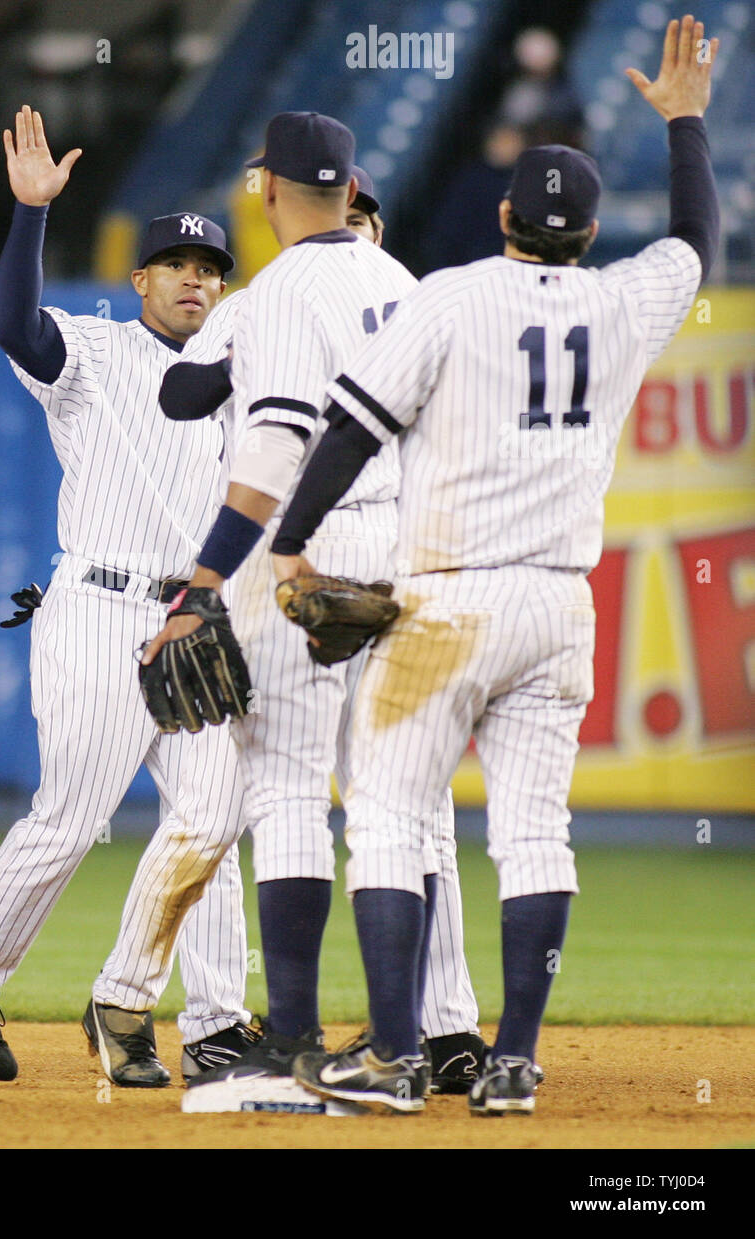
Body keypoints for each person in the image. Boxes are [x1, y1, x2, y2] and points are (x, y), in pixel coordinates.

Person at [273, 17, 717, 1115]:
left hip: (446, 604)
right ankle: (512, 1059)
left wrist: (290, 543)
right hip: (559, 607)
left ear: (507, 215)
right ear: (593, 229)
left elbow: (348, 430)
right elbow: (699, 239)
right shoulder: (623, 301)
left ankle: (390, 1053)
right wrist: (687, 123)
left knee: (382, 815)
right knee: (532, 833)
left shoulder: (450, 295)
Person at [141, 113, 480, 1113]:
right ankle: (421, 1039)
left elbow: (266, 459)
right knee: (401, 803)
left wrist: (203, 586)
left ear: (267, 185)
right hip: (410, 552)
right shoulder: (405, 283)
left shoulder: (279, 291)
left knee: (286, 781)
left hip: (305, 549)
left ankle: (289, 1035)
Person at [0, 106, 256, 1088]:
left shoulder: (234, 378)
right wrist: (29, 217)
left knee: (211, 818)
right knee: (70, 818)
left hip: (188, 618)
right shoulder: (93, 352)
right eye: (178, 265)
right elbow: (11, 324)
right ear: (140, 277)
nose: (196, 279)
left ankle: (215, 1019)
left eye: (211, 269)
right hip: (99, 611)